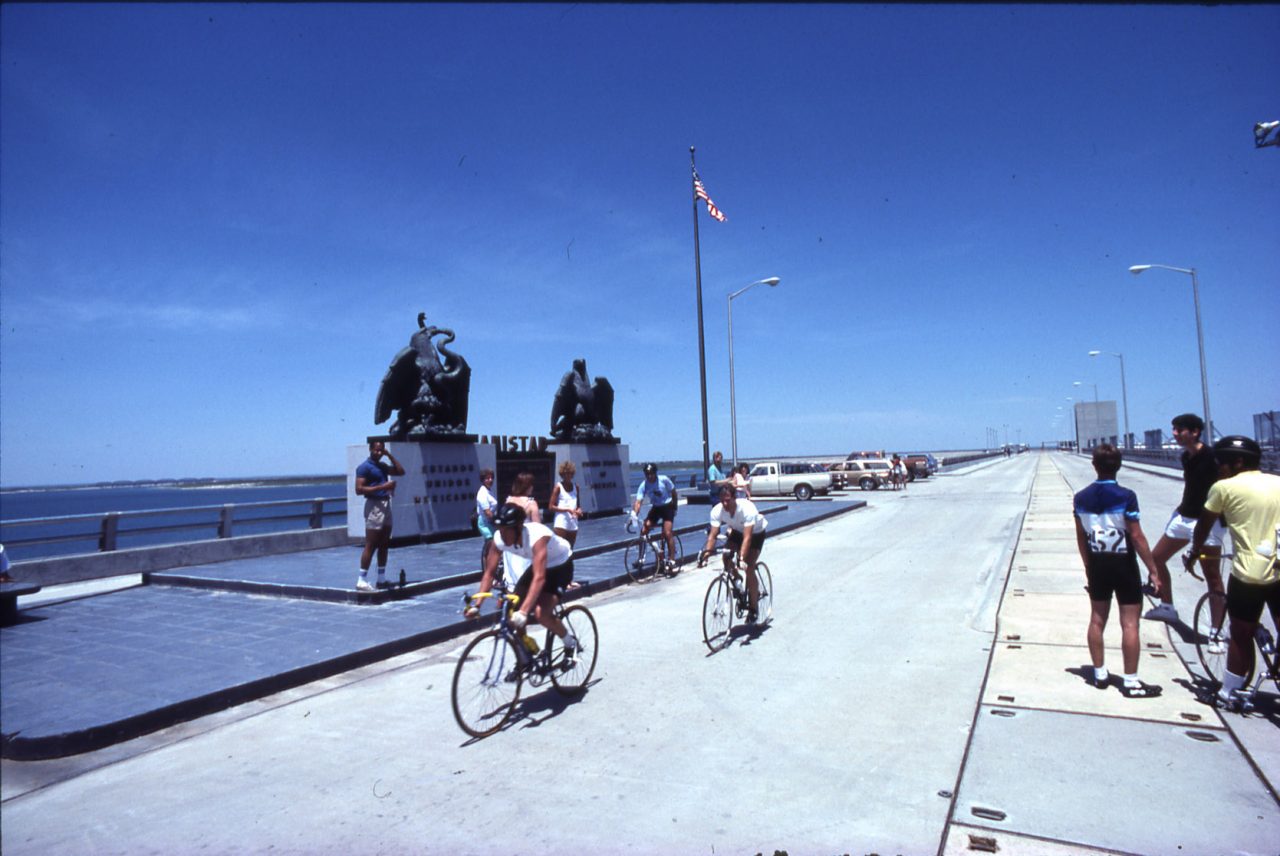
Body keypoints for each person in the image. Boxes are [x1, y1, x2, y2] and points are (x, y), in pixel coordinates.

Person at [1188, 436, 1280, 711]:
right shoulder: (1277, 481)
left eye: (1222, 463)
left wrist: (1195, 552)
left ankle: (1228, 693)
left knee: (1240, 633)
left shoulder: (1223, 488)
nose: (1219, 468)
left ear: (1238, 462)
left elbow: (1204, 527)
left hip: (1249, 572)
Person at [1073, 444, 1162, 697]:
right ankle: (1131, 682)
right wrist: (1153, 570)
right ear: (1119, 465)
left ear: (1094, 465)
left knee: (1097, 619)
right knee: (1130, 624)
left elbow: (1081, 537)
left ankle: (1100, 674)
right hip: (1123, 563)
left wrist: (1088, 565)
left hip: (1097, 563)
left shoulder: (1080, 497)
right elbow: (1137, 536)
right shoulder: (1126, 496)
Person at [466, 503, 579, 661]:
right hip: (539, 566)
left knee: (541, 614)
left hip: (560, 565)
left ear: (518, 527)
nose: (502, 535)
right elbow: (489, 573)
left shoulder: (536, 537)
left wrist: (525, 612)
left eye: (507, 530)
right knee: (512, 612)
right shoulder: (499, 539)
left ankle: (570, 643)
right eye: (500, 529)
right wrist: (477, 605)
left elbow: (539, 577)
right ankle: (527, 656)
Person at [1146, 413, 1227, 624]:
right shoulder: (1185, 457)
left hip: (1208, 522)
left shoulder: (1212, 458)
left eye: (1179, 430)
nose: (1174, 434)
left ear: (1195, 432)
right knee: (1156, 558)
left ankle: (1217, 631)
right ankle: (1167, 607)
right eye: (1173, 429)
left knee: (1212, 576)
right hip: (1184, 517)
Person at [698, 485, 770, 624]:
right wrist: (705, 555)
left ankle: (754, 609)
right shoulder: (717, 511)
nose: (725, 504)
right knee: (726, 557)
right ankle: (738, 582)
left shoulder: (747, 509)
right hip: (737, 531)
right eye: (722, 500)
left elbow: (747, 538)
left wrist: (742, 558)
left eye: (728, 500)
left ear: (734, 498)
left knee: (749, 567)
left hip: (755, 533)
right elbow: (713, 536)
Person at [354, 440, 405, 591]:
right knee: (371, 543)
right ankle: (361, 580)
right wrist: (384, 486)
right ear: (370, 449)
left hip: (385, 504)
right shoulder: (364, 467)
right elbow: (359, 489)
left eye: (381, 450)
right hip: (374, 506)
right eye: (376, 450)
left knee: (384, 543)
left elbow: (401, 471)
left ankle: (381, 579)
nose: (378, 453)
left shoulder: (382, 466)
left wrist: (389, 454)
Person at [632, 463, 679, 571]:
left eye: (651, 474)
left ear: (655, 473)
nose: (649, 476)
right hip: (656, 508)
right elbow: (638, 502)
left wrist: (675, 507)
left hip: (667, 507)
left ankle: (672, 560)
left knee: (667, 532)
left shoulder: (664, 480)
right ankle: (641, 558)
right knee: (644, 529)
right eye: (647, 474)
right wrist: (634, 514)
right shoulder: (644, 485)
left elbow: (674, 493)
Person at [549, 460, 585, 547]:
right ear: (562, 474)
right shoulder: (558, 487)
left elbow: (578, 506)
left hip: (573, 522)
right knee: (560, 550)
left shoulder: (576, 487)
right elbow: (551, 507)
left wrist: (579, 511)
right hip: (561, 522)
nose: (568, 475)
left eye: (569, 473)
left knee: (570, 551)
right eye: (565, 473)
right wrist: (567, 509)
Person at [475, 468, 499, 571]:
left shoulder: (489, 491)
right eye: (487, 478)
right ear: (483, 480)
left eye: (491, 478)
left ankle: (492, 570)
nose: (490, 480)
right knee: (490, 544)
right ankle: (486, 572)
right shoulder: (482, 493)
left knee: (492, 546)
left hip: (490, 522)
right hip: (484, 523)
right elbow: (487, 512)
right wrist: (498, 523)